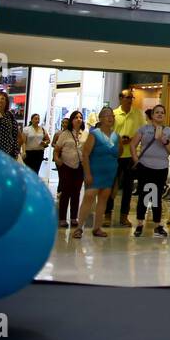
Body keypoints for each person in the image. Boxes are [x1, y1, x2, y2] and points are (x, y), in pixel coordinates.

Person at [130, 104, 170, 238]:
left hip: (161, 168)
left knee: (156, 197)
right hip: (144, 166)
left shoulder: (168, 131)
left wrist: (163, 139)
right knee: (144, 195)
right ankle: (139, 224)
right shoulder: (144, 129)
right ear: (152, 115)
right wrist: (135, 159)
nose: (160, 114)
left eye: (162, 112)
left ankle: (157, 225)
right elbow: (133, 144)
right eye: (157, 112)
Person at [75, 106, 120, 239]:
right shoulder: (94, 134)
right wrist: (87, 173)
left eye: (112, 115)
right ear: (100, 119)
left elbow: (118, 153)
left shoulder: (116, 136)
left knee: (104, 197)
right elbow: (85, 154)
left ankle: (97, 227)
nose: (110, 118)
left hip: (110, 172)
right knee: (89, 196)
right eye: (106, 115)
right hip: (95, 171)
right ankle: (79, 227)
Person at [106, 87, 146, 225]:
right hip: (115, 155)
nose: (130, 100)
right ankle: (107, 214)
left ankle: (124, 215)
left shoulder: (138, 114)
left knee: (128, 188)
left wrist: (134, 139)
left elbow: (143, 131)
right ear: (120, 99)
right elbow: (107, 132)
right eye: (127, 97)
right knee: (111, 186)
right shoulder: (114, 114)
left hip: (130, 156)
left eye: (131, 98)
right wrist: (118, 141)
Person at [53, 111, 85, 228]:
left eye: (80, 117)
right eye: (76, 117)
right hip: (66, 165)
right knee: (65, 192)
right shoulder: (65, 134)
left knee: (76, 192)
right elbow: (56, 150)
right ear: (72, 120)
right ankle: (62, 218)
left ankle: (73, 218)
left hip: (80, 167)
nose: (78, 119)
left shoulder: (84, 134)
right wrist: (58, 160)